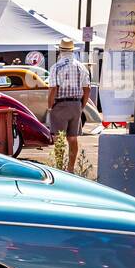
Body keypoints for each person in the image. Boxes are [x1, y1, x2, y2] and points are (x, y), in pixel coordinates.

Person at [46, 38, 92, 173]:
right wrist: (82, 105)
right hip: (76, 104)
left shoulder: (56, 67)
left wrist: (50, 106)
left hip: (60, 104)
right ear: (72, 51)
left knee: (59, 138)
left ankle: (59, 168)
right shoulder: (81, 66)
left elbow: (53, 89)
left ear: (60, 50)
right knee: (72, 138)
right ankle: (70, 168)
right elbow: (87, 88)